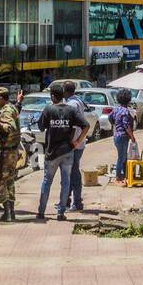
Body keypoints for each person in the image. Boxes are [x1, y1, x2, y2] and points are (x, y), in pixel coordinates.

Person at [36, 81, 89, 222]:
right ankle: (61, 213)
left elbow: (41, 127)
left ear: (53, 96)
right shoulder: (71, 110)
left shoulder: (48, 109)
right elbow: (86, 125)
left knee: (47, 181)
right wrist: (77, 142)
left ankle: (41, 212)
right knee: (66, 182)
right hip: (67, 152)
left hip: (52, 152)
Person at [0, 88, 22, 222]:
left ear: (1, 98)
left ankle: (7, 212)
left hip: (6, 152)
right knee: (10, 181)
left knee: (2, 181)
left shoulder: (6, 111)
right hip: (12, 151)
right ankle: (12, 211)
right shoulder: (12, 108)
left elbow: (9, 127)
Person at [63, 80, 89, 212]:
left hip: (74, 144)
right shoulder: (76, 101)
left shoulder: (72, 104)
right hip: (77, 143)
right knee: (69, 173)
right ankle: (65, 202)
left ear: (65, 91)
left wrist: (73, 141)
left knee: (73, 173)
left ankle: (77, 202)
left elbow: (73, 126)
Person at [109, 88, 137, 183]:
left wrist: (116, 124)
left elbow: (110, 117)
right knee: (122, 157)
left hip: (116, 136)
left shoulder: (115, 109)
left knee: (122, 156)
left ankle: (124, 174)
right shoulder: (125, 111)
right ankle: (119, 176)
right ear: (128, 100)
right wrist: (132, 137)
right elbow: (126, 126)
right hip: (123, 137)